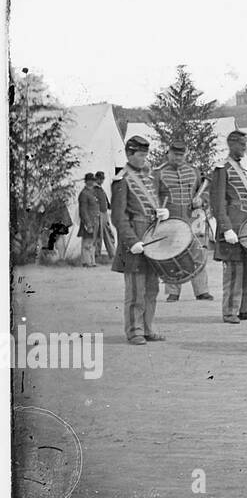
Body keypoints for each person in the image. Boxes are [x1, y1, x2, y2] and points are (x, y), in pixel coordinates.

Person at [112, 136, 166, 345]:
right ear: (129, 154)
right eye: (140, 155)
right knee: (136, 291)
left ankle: (147, 328)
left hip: (152, 237)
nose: (144, 159)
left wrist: (163, 210)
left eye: (146, 155)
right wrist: (132, 241)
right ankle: (134, 330)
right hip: (134, 240)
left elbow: (163, 194)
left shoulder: (150, 176)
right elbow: (118, 217)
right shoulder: (121, 179)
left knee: (152, 288)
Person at [210, 130, 247, 324]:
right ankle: (229, 312)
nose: (244, 148)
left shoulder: (244, 171)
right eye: (241, 145)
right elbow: (218, 203)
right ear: (231, 144)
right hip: (232, 229)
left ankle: (243, 309)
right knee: (233, 272)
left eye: (245, 144)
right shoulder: (222, 169)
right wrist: (226, 228)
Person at [155, 140, 213, 302]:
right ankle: (173, 291)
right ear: (169, 153)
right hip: (170, 221)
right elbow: (152, 197)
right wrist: (159, 211)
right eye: (175, 155)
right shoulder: (159, 173)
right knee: (171, 256)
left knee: (198, 253)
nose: (178, 158)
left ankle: (202, 290)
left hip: (191, 220)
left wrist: (201, 200)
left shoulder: (194, 172)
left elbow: (205, 194)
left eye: (181, 155)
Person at [77, 174, 99, 267]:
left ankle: (92, 261)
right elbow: (83, 210)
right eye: (91, 180)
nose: (93, 181)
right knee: (87, 241)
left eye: (94, 180)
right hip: (89, 220)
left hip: (95, 220)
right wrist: (87, 222)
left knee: (92, 242)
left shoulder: (93, 192)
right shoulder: (84, 193)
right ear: (87, 181)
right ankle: (86, 262)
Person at [93, 171, 114, 261]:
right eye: (100, 178)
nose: (101, 180)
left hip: (104, 213)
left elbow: (105, 201)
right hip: (98, 213)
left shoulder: (100, 189)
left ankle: (112, 254)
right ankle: (96, 255)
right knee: (98, 234)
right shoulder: (94, 189)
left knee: (108, 233)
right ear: (96, 178)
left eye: (102, 179)